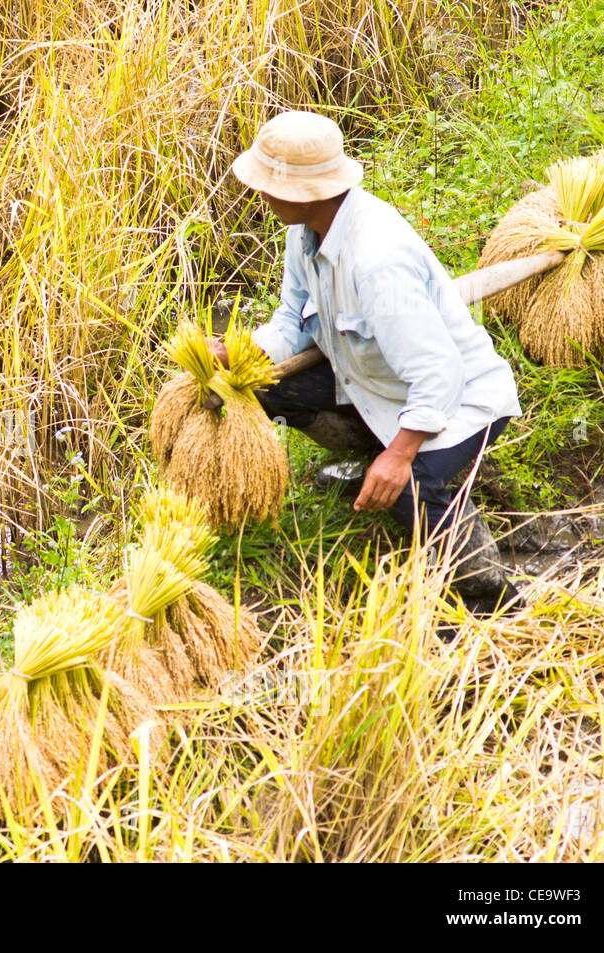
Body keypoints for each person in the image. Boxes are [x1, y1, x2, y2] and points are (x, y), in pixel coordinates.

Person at [218, 109, 523, 613]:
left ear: (304, 191)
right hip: (377, 386)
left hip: (458, 403)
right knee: (267, 386)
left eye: (268, 184)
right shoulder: (307, 232)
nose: (261, 194)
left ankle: (487, 594)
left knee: (412, 490)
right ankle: (368, 453)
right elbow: (290, 320)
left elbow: (437, 375)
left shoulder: (376, 261)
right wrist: (238, 352)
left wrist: (399, 456)